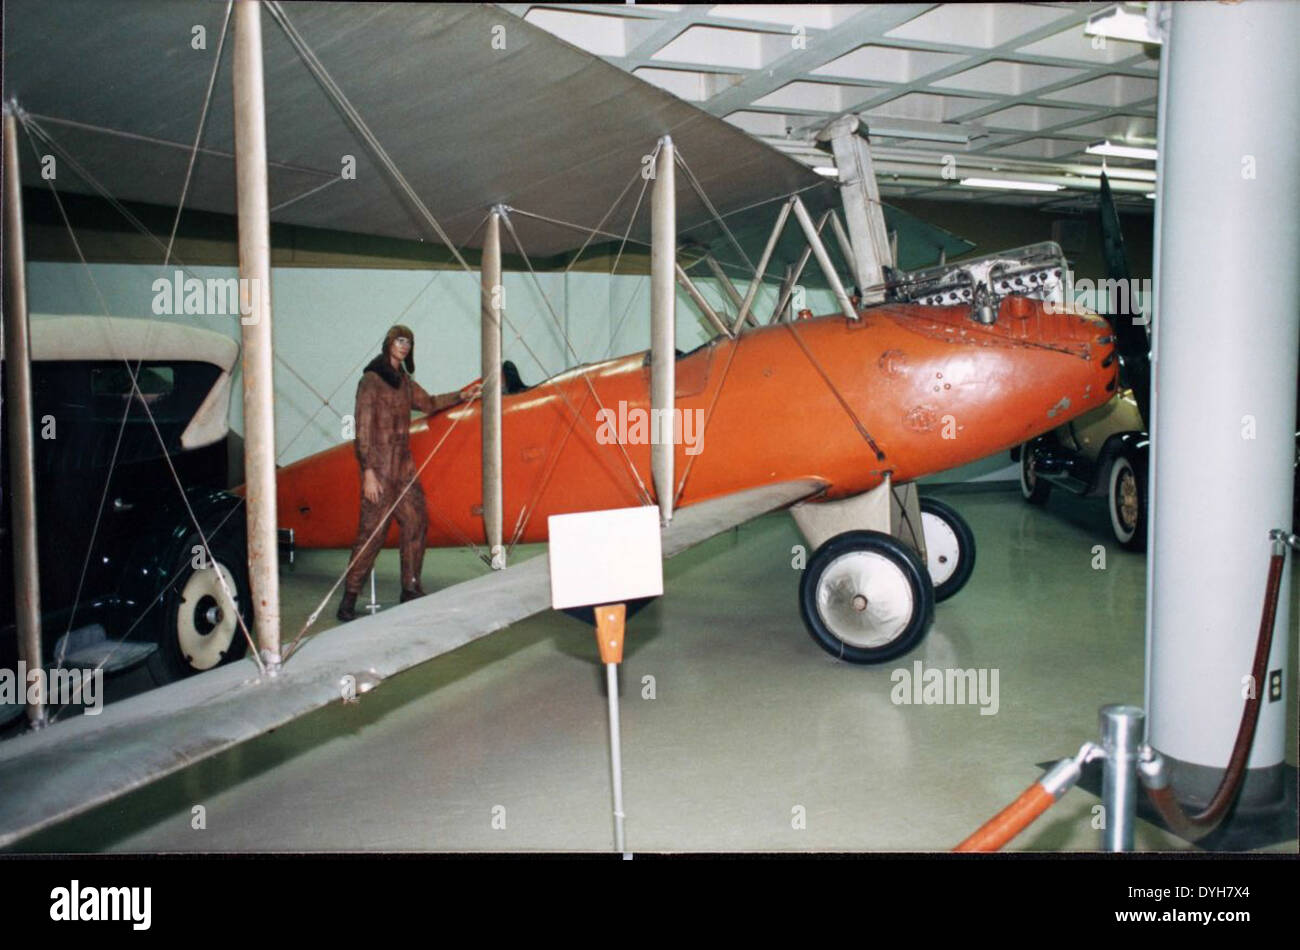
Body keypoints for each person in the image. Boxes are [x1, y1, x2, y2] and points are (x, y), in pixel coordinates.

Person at [336, 324, 480, 622]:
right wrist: (368, 473)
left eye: (409, 342)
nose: (404, 346)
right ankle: (348, 599)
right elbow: (362, 430)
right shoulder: (371, 381)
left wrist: (463, 395)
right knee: (371, 535)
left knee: (416, 521)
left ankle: (411, 588)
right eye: (400, 341)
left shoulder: (404, 382)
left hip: (403, 466)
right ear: (389, 343)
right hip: (379, 466)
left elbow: (429, 403)